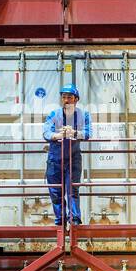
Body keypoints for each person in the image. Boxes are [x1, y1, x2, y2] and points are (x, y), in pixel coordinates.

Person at [42, 84, 91, 226]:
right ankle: (60, 220)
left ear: (76, 99)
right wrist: (58, 135)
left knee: (72, 189)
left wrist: (74, 133)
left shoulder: (84, 115)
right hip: (55, 159)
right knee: (55, 191)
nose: (66, 100)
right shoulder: (53, 114)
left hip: (73, 159)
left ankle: (74, 219)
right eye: (64, 97)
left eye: (69, 97)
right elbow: (46, 132)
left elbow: (88, 133)